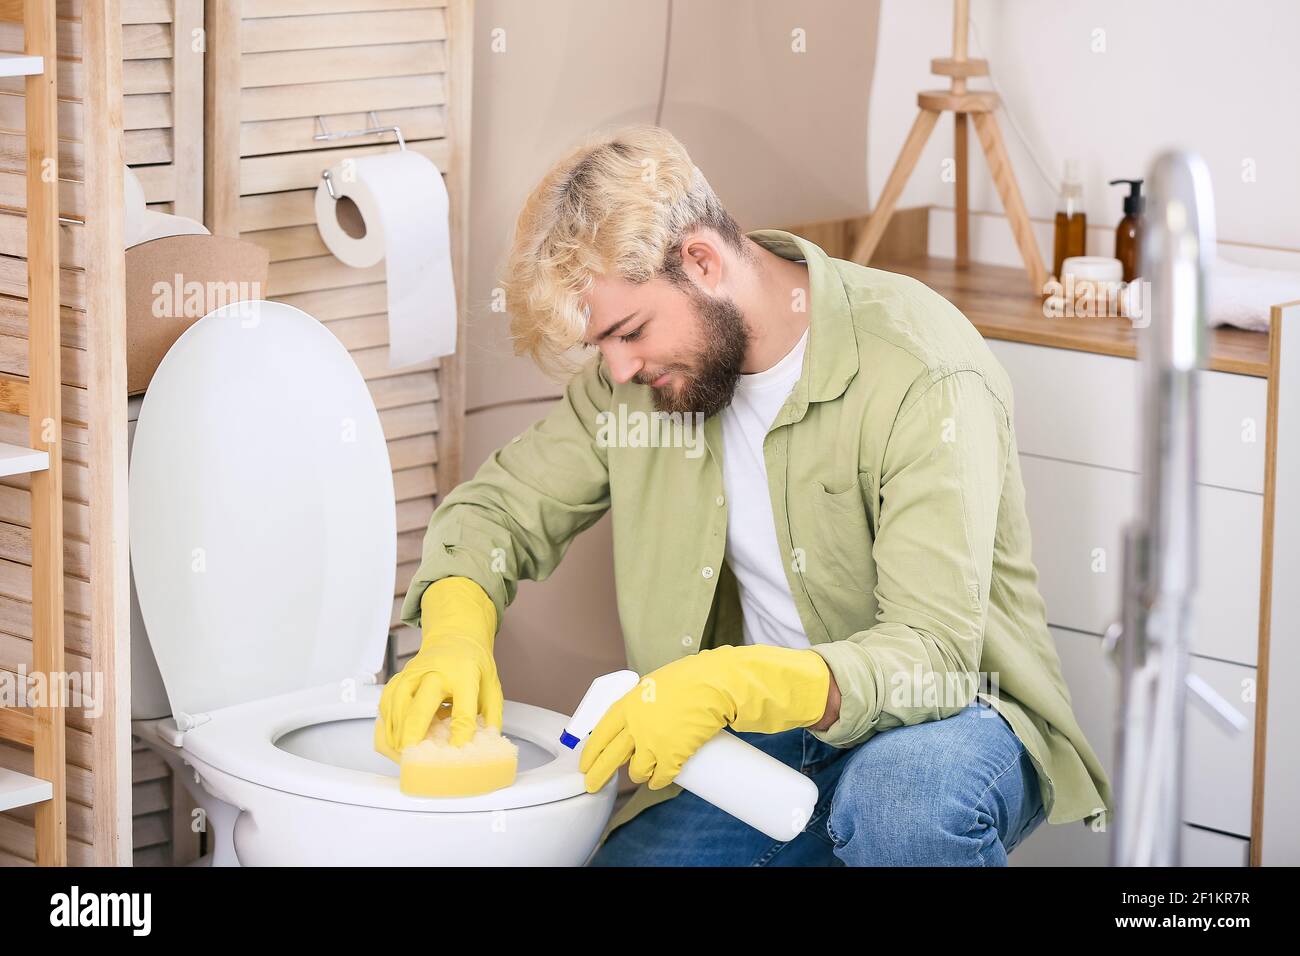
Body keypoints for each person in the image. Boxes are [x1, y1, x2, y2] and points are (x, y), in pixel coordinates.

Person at [376, 125, 1112, 866]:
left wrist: (733, 682)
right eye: (603, 346)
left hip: (944, 723)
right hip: (763, 740)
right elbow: (499, 512)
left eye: (629, 332)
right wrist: (454, 635)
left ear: (701, 260)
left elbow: (934, 657)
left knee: (900, 806)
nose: (620, 370)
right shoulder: (635, 388)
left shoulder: (922, 370)